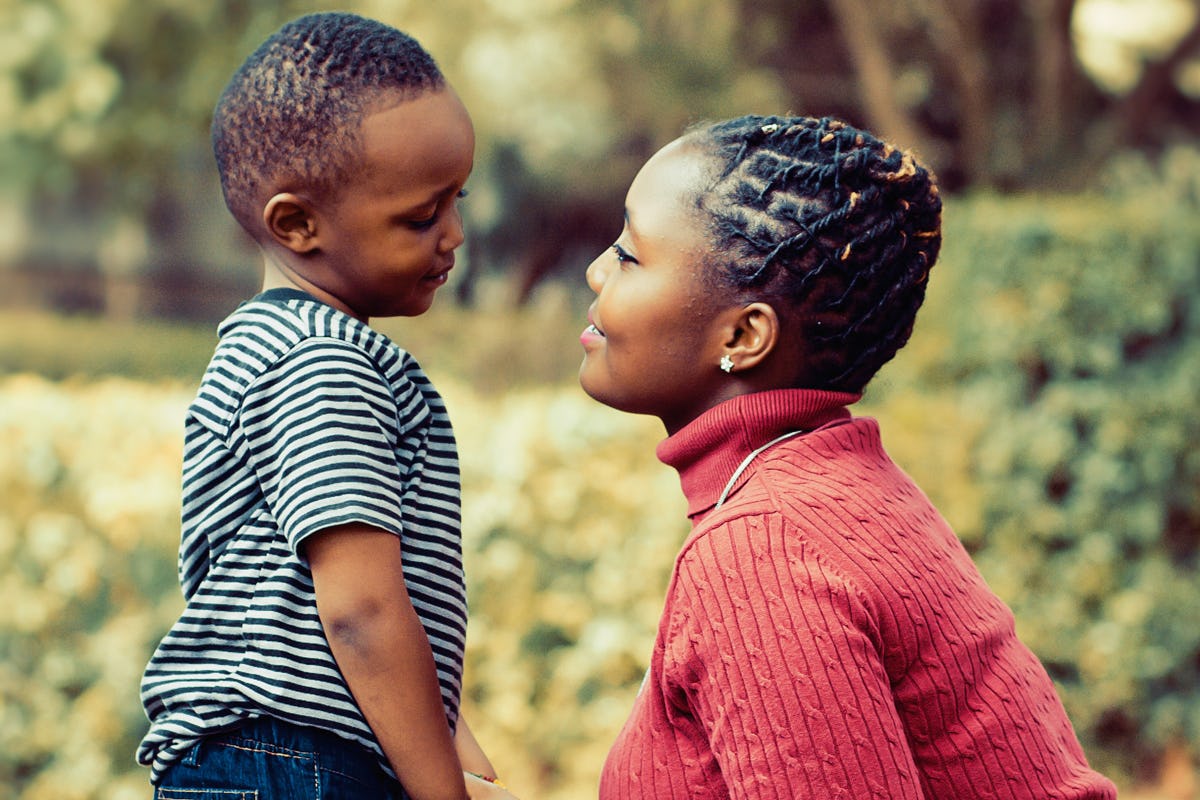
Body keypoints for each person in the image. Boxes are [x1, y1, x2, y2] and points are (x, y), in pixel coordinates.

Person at [579, 115, 1118, 799]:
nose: (597, 270)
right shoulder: (841, 486)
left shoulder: (764, 550)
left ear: (745, 336)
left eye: (629, 256)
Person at [137, 13, 515, 800]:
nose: (454, 236)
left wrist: (439, 716)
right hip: (285, 761)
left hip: (277, 756)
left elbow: (299, 589)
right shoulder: (321, 362)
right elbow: (361, 610)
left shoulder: (278, 346)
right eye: (421, 216)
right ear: (298, 224)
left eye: (457, 200)